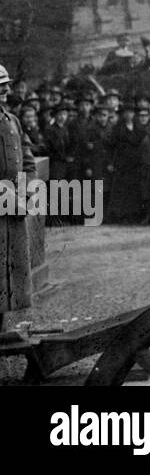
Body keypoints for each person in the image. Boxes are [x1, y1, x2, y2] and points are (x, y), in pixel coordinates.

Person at [0, 63, 36, 330]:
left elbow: (27, 161)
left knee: (13, 267)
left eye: (6, 85)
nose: (6, 90)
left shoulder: (12, 121)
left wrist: (22, 193)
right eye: (1, 87)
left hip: (14, 202)